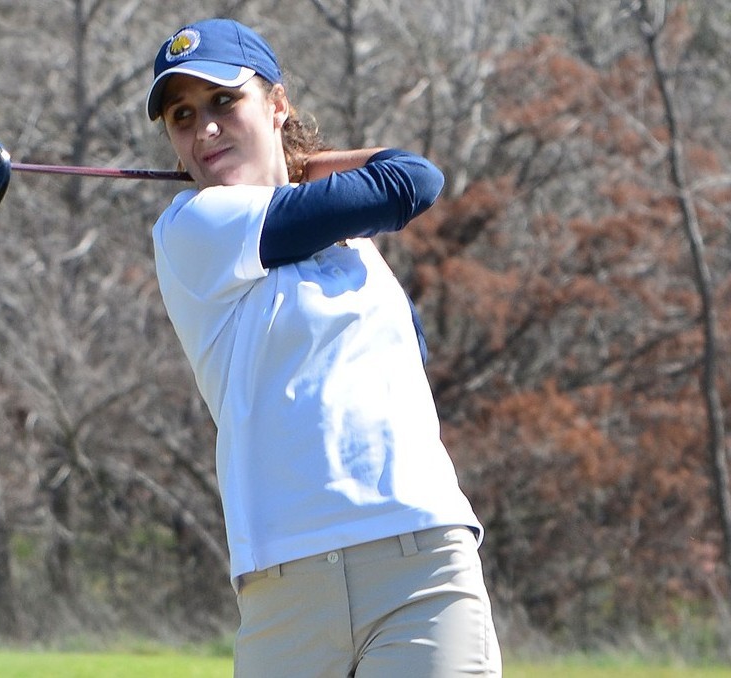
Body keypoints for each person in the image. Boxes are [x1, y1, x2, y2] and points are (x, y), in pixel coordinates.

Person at [145, 18, 502, 677]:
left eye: (224, 101)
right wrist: (300, 170)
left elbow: (414, 179)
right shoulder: (193, 227)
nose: (206, 129)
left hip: (418, 566)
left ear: (276, 104)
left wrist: (296, 169)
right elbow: (404, 180)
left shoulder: (354, 245)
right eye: (182, 116)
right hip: (286, 589)